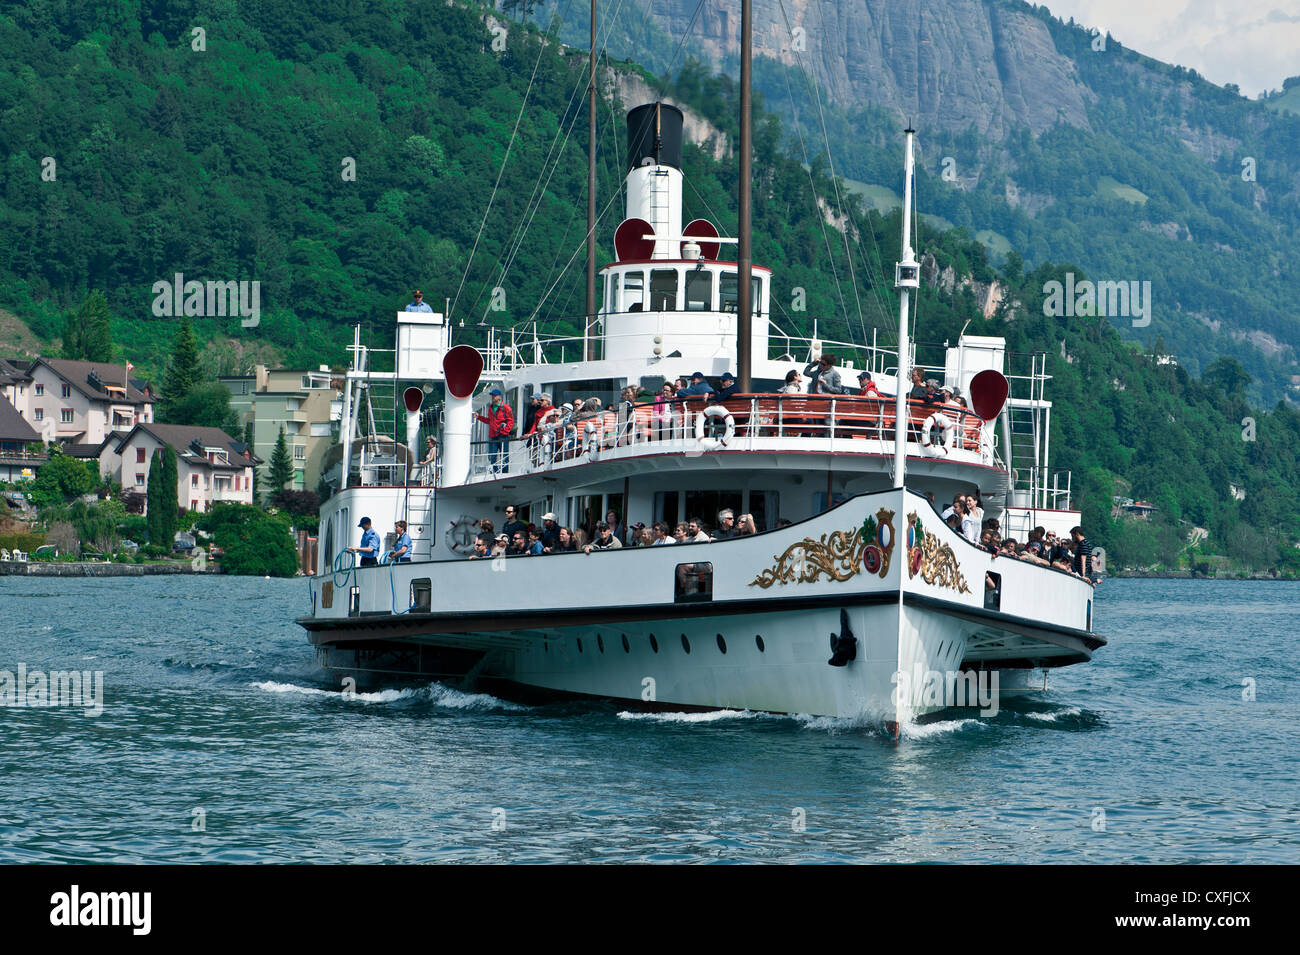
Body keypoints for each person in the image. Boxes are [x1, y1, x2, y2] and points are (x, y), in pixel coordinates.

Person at [475, 389, 514, 473]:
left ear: (499, 397)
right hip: (492, 435)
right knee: (492, 456)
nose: (493, 397)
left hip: (503, 436)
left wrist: (505, 431)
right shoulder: (491, 407)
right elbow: (489, 421)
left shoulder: (506, 407)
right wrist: (479, 417)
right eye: (492, 395)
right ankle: (494, 472)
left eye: (494, 395)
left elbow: (511, 421)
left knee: (504, 455)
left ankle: (504, 473)